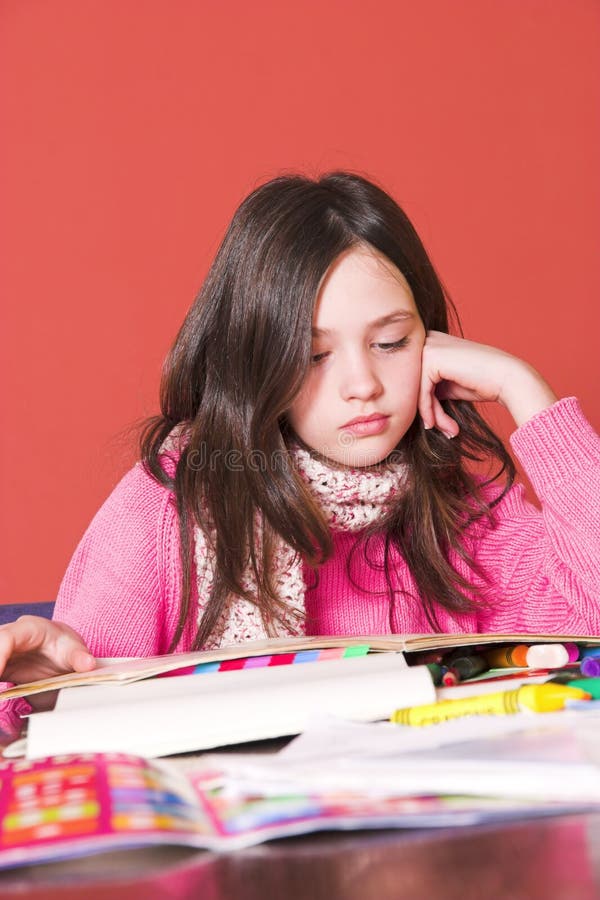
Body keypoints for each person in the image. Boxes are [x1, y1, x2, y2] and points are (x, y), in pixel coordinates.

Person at [1, 170, 599, 739]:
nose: (362, 384)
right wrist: (43, 696)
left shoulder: (466, 512)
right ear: (257, 363)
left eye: (391, 342)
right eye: (314, 356)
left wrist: (524, 388)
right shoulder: (170, 500)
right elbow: (59, 704)